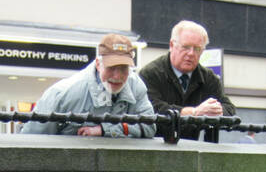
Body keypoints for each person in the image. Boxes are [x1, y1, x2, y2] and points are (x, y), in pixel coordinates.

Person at [20, 33, 155, 138]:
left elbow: (150, 127)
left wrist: (105, 129)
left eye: (123, 68)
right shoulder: (62, 94)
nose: (117, 76)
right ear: (98, 64)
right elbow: (32, 140)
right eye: (112, 67)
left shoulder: (136, 87)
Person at [139, 20, 235, 141]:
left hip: (192, 151)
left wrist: (216, 111)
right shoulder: (150, 74)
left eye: (197, 49)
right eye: (186, 47)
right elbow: (151, 110)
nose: (191, 53)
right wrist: (194, 113)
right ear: (172, 45)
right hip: (155, 147)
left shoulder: (209, 78)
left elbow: (230, 110)